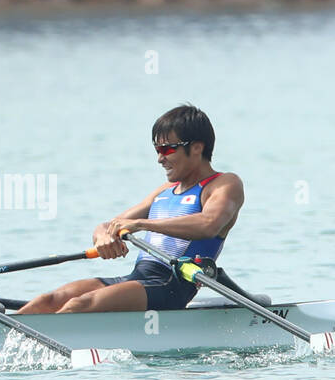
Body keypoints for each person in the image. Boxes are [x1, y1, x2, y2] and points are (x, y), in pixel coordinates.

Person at [18, 104, 243, 314]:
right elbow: (109, 225)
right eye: (157, 149)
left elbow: (208, 224)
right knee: (46, 301)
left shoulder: (224, 184)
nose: (160, 159)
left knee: (79, 304)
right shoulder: (166, 191)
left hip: (171, 286)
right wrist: (104, 237)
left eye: (167, 149)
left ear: (196, 148)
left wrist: (141, 224)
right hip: (138, 278)